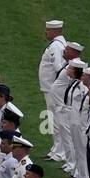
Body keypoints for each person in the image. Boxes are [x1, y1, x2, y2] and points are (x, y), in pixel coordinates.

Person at [40, 20, 69, 163]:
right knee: (54, 120)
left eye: (48, 30)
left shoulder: (56, 46)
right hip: (52, 88)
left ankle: (60, 152)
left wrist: (56, 88)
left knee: (56, 120)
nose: (46, 32)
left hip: (53, 89)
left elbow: (59, 67)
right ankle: (56, 149)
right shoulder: (57, 44)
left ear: (55, 31)